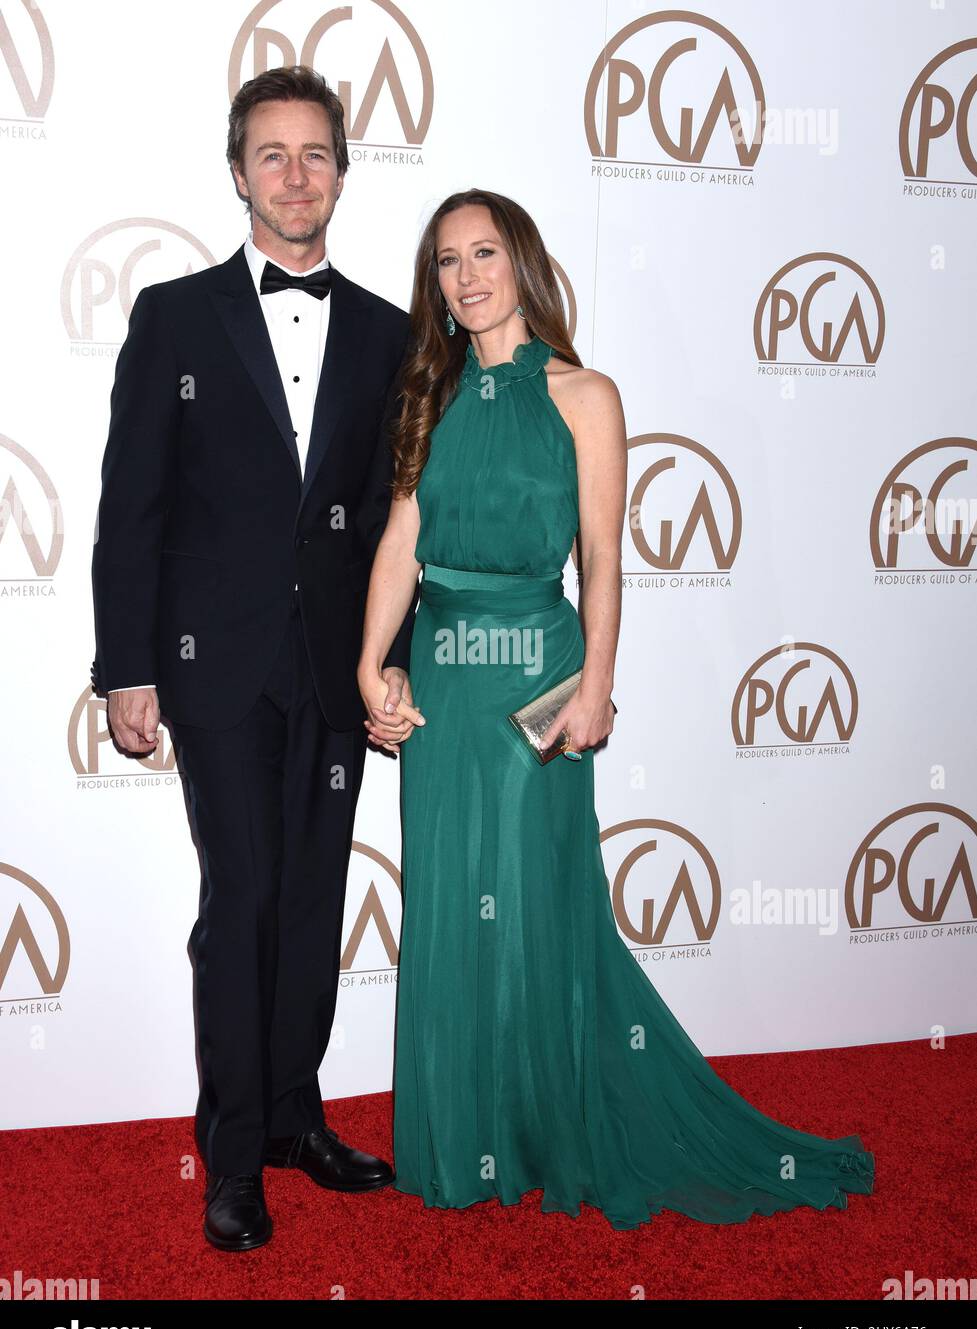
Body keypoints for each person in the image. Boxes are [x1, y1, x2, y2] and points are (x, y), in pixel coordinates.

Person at [357, 189, 876, 1231]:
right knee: (454, 898)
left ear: (523, 262)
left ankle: (550, 1128)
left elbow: (601, 556)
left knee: (532, 894)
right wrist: (372, 667)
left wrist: (594, 684)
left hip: (536, 674)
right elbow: (402, 540)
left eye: (485, 253)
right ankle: (469, 1139)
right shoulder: (431, 393)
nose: (466, 277)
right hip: (446, 675)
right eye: (447, 261)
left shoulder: (584, 393)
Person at [90, 65, 418, 1251]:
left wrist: (394, 666)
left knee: (313, 899)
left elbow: (397, 521)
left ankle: (292, 1117)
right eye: (270, 154)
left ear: (341, 171)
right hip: (212, 667)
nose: (294, 174)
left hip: (334, 670)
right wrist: (125, 664)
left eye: (315, 153)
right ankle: (231, 1158)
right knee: (244, 902)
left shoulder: (388, 332)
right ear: (238, 173)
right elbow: (134, 503)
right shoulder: (173, 317)